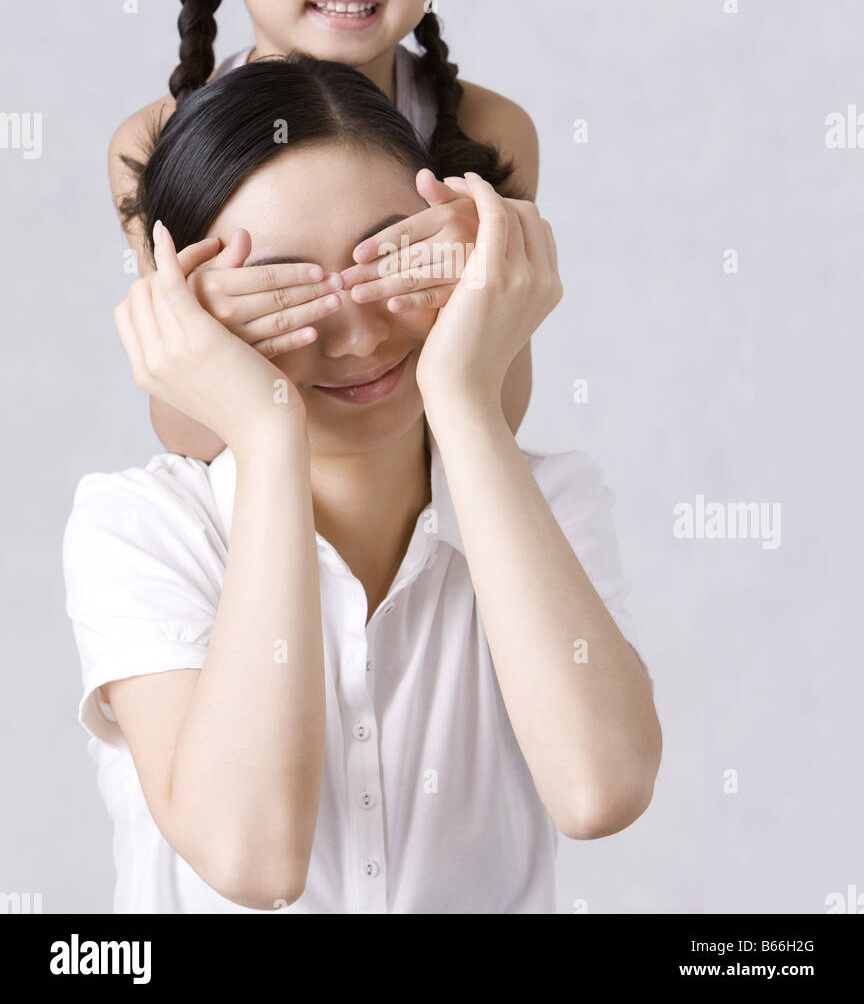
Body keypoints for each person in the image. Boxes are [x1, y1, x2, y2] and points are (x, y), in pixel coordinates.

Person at [64, 56, 661, 915]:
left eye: (390, 263)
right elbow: (254, 863)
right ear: (194, 317)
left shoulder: (548, 502)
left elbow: (600, 792)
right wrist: (267, 432)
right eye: (285, 292)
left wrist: (464, 393)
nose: (357, 335)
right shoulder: (142, 529)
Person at [108, 0, 540, 459]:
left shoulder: (490, 128)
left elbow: (501, 416)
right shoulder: (152, 140)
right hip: (254, 504)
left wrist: (492, 272)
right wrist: (201, 339)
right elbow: (187, 439)